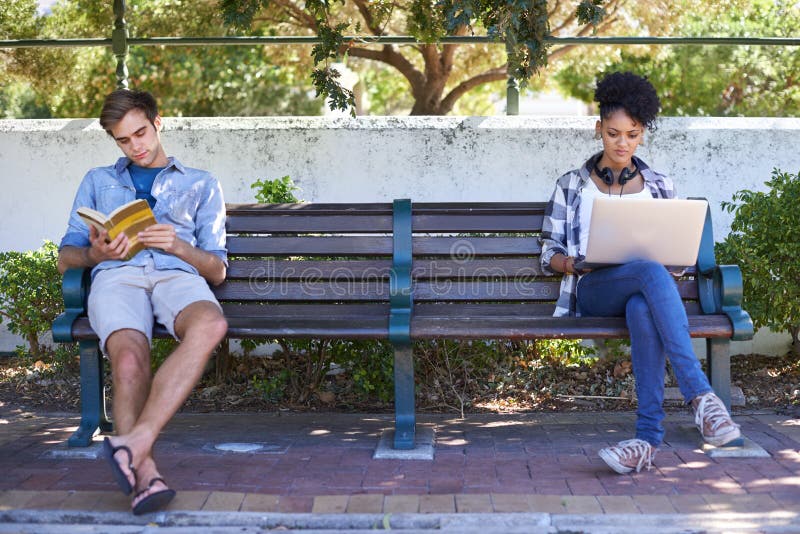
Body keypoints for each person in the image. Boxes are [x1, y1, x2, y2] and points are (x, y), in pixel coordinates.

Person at [539, 72, 741, 475]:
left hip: (644, 293)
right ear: (599, 129)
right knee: (649, 274)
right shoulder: (571, 185)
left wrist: (672, 258)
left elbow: (679, 259)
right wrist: (573, 263)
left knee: (643, 304)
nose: (622, 143)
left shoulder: (661, 185)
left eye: (631, 134)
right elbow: (548, 252)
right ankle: (701, 397)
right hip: (594, 289)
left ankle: (647, 440)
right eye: (613, 133)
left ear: (642, 134)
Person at [58, 89, 229, 513]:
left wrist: (178, 246)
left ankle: (132, 441)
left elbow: (218, 270)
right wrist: (96, 255)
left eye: (140, 133)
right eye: (123, 140)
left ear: (158, 122)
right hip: (119, 276)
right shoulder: (98, 181)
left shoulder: (201, 182)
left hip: (178, 274)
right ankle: (146, 472)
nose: (135, 146)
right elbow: (67, 257)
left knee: (212, 325)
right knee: (130, 360)